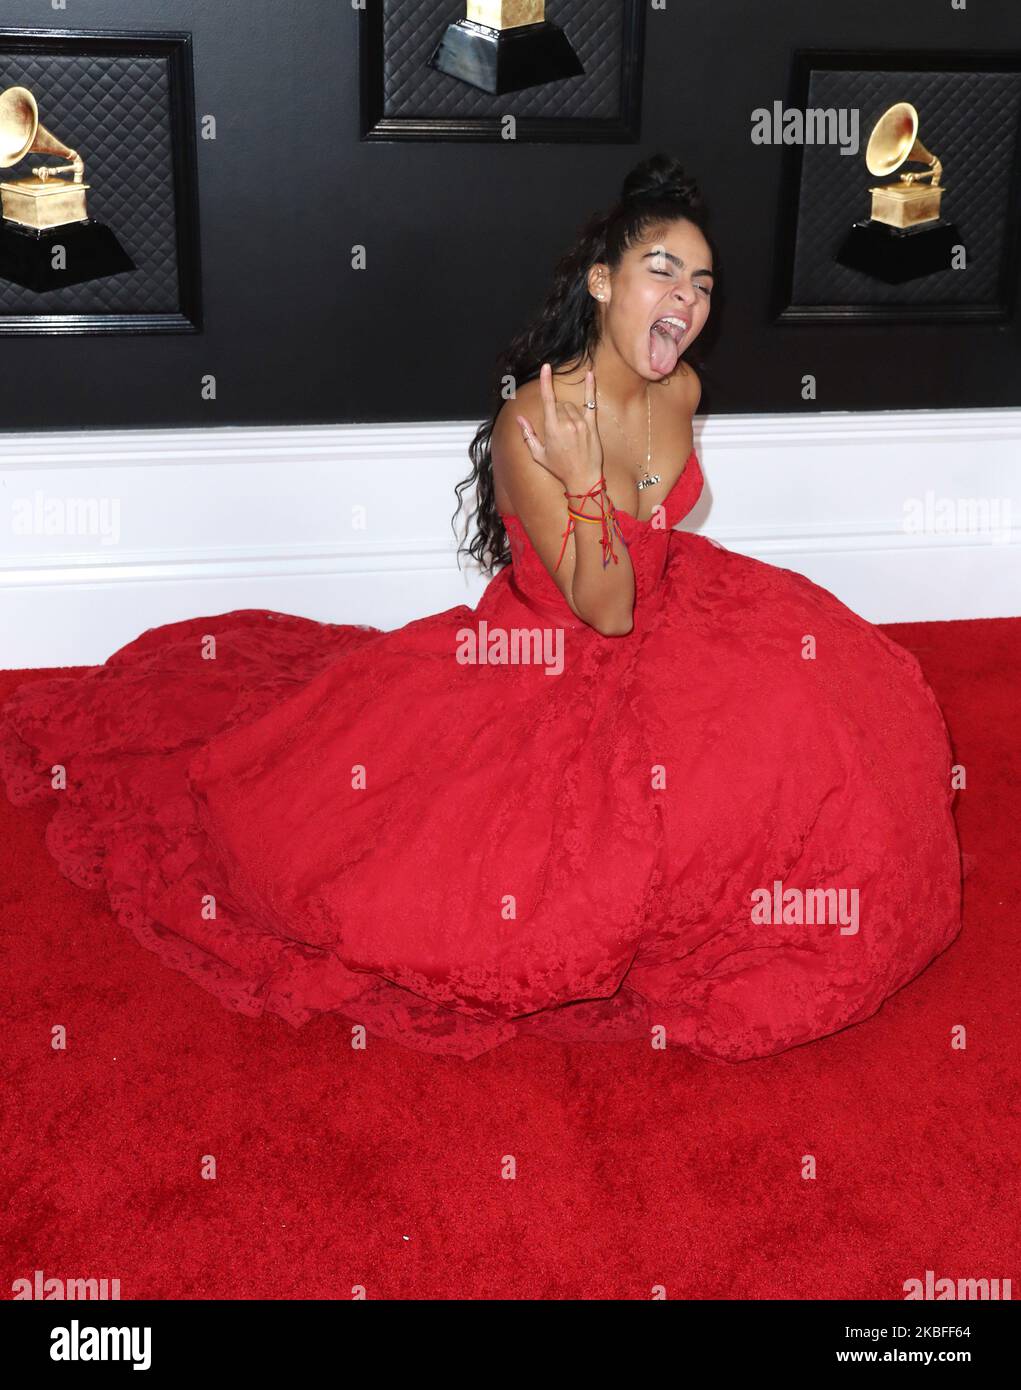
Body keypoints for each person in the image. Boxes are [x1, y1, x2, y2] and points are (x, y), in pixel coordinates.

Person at [0, 154, 961, 1061]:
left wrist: (622, 500)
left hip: (680, 608)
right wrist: (585, 481)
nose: (685, 300)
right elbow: (605, 609)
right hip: (561, 650)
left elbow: (654, 547)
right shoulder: (530, 425)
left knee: (840, 728)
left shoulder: (685, 388)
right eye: (661, 272)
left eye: (701, 284)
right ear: (599, 281)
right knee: (489, 875)